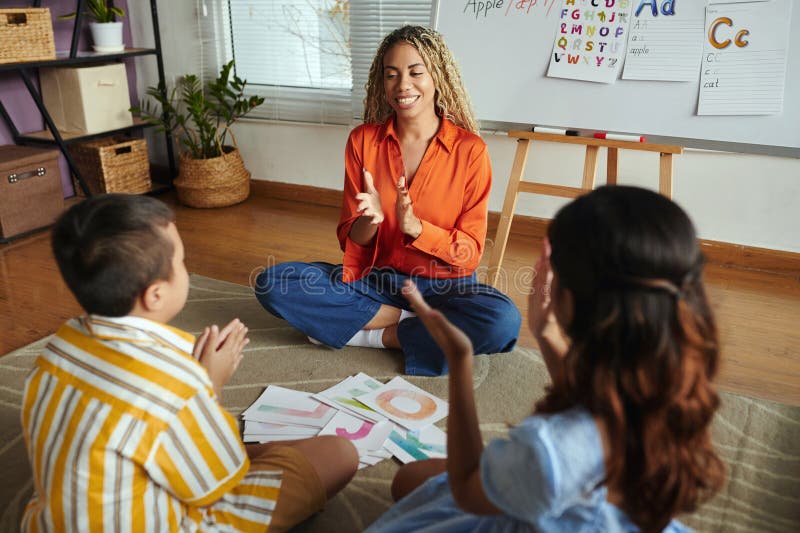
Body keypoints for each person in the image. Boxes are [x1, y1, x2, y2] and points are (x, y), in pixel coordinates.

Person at [366, 185, 726, 532]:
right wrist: (548, 333)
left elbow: (466, 489)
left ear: (567, 296)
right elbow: (594, 398)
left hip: (532, 502)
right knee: (415, 478)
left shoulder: (548, 449)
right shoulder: (674, 385)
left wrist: (460, 360)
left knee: (421, 487)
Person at [22, 194, 358, 532]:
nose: (186, 269)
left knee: (259, 448)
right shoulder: (177, 382)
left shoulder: (57, 349)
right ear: (155, 294)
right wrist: (210, 386)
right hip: (173, 517)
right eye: (182, 262)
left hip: (52, 522)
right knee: (340, 453)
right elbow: (219, 481)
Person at [255, 25, 521, 376]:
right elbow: (351, 241)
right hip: (374, 280)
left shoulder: (470, 151)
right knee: (273, 283)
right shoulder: (363, 141)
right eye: (391, 75)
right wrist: (370, 221)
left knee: (502, 321)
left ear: (437, 76)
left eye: (415, 72)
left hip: (443, 287)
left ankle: (370, 335)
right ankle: (416, 325)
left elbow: (469, 253)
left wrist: (418, 229)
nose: (402, 85)